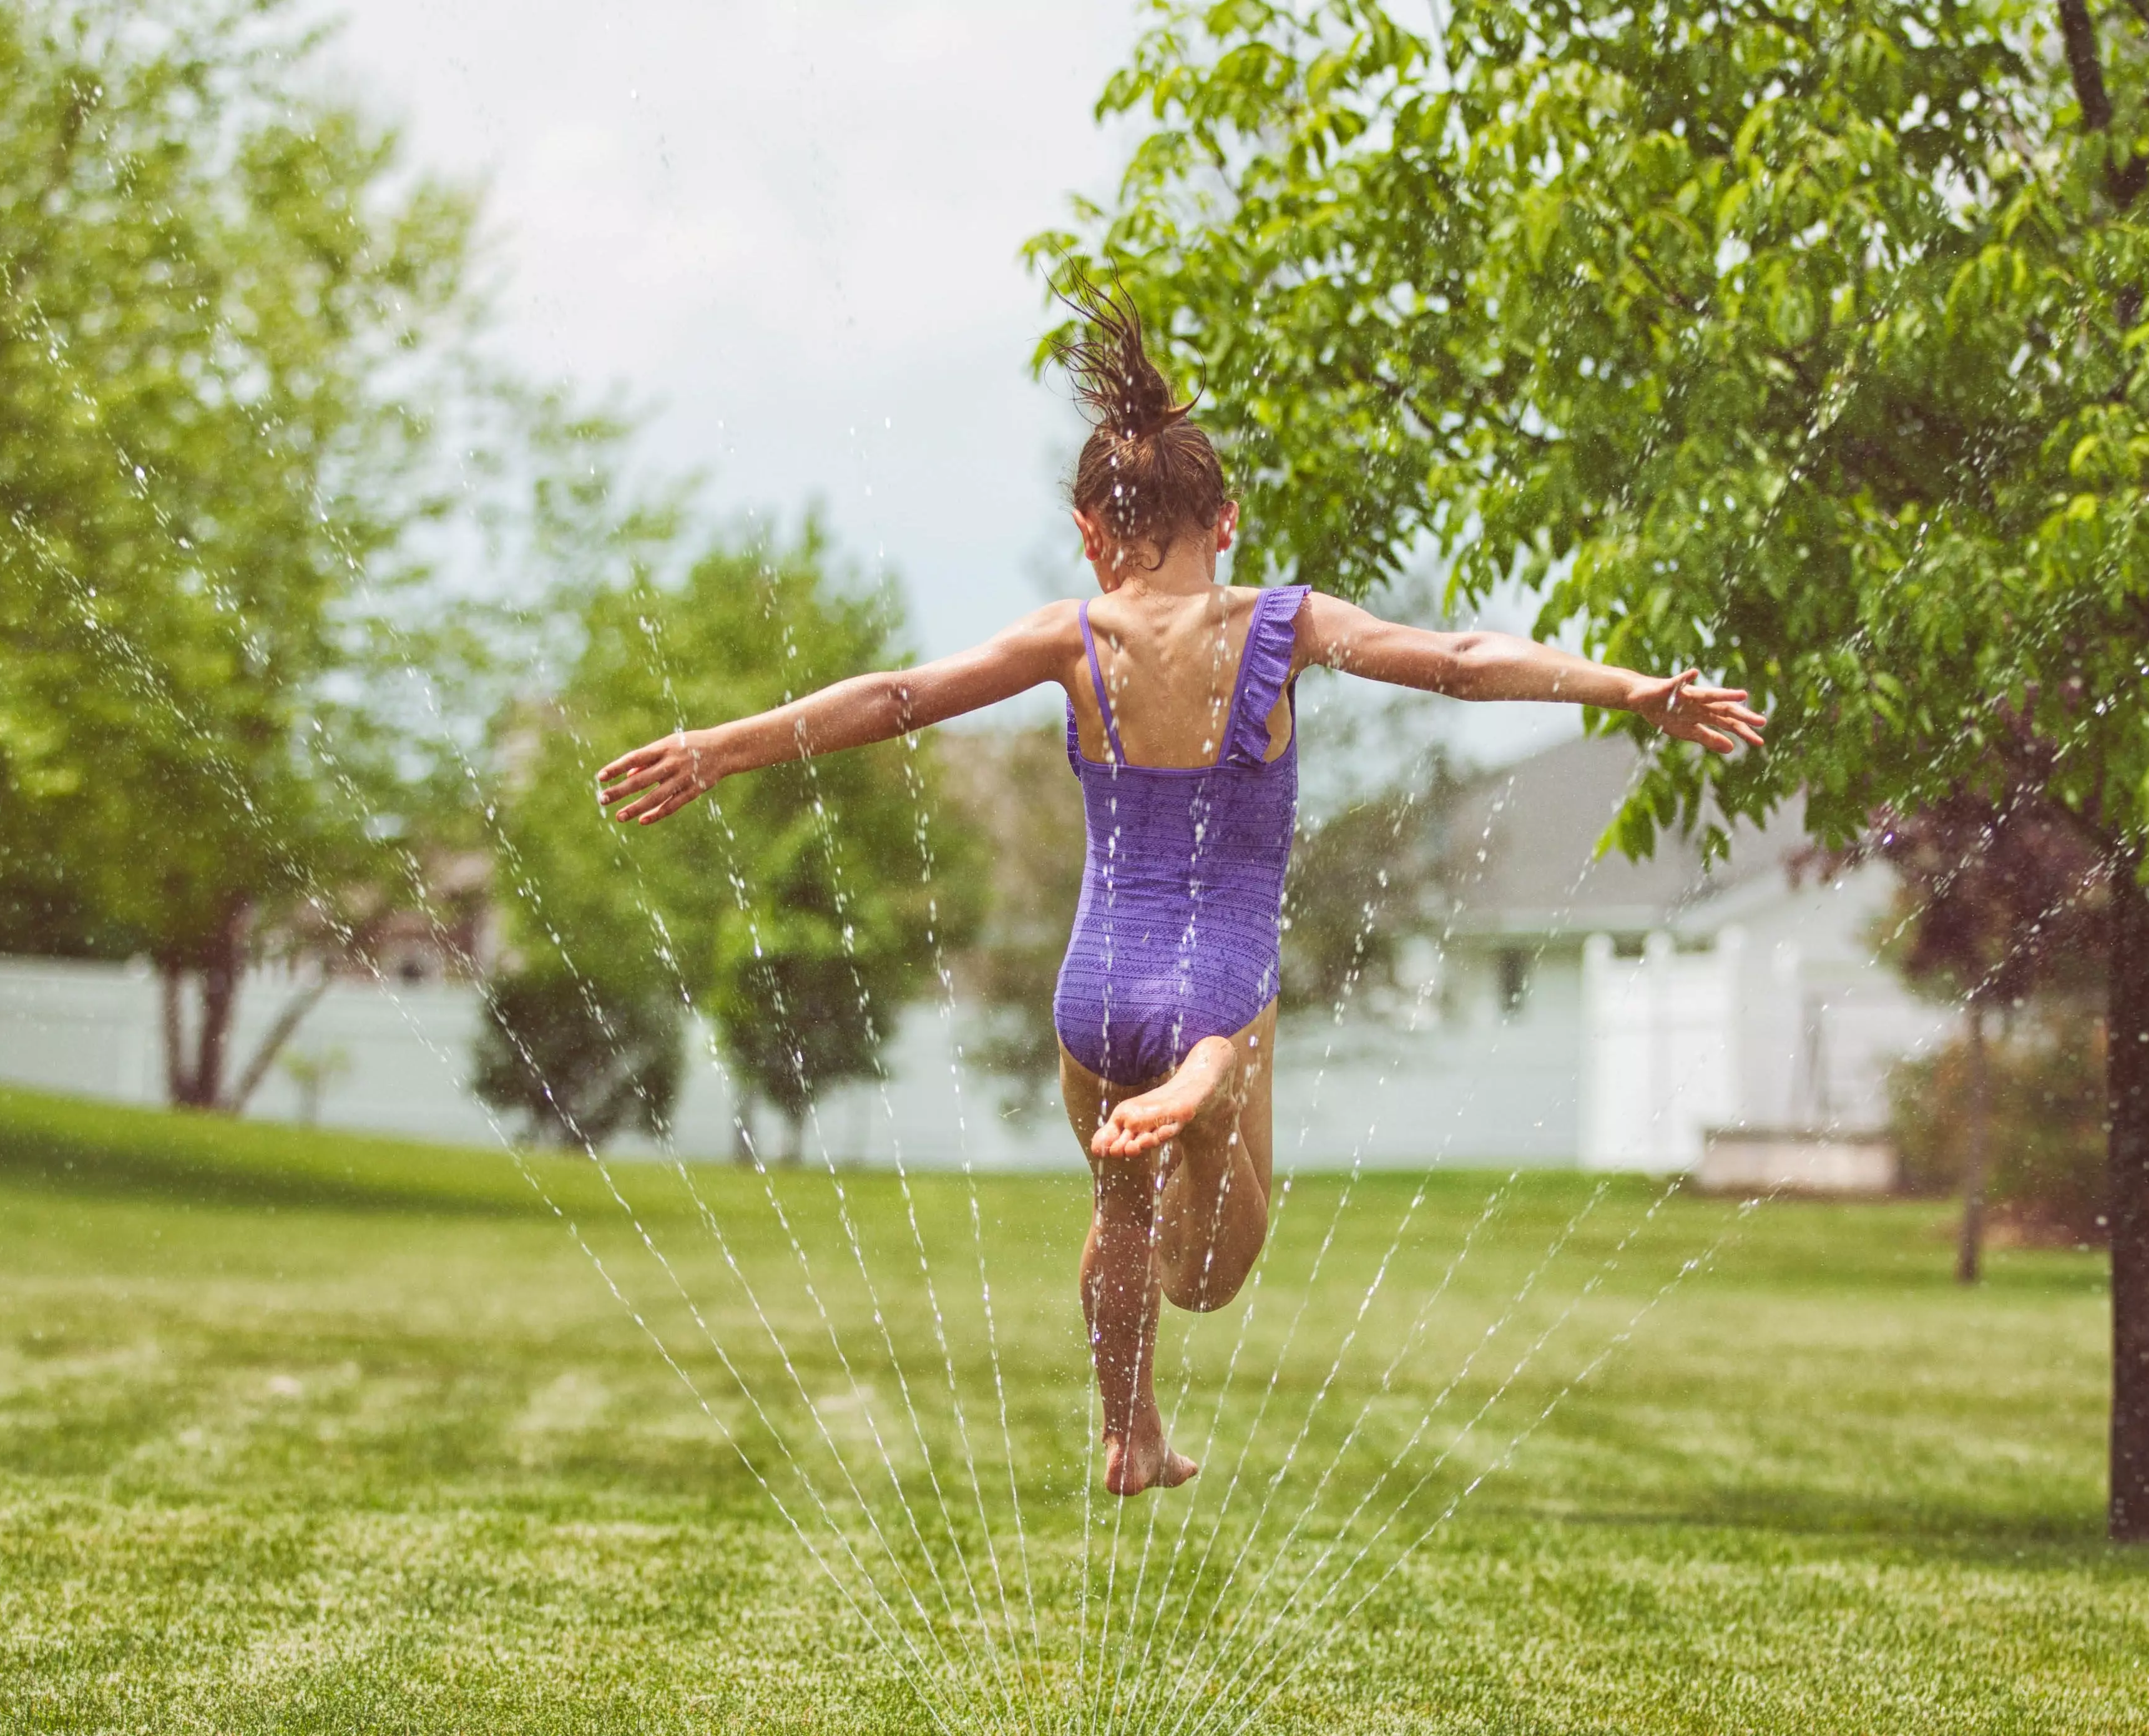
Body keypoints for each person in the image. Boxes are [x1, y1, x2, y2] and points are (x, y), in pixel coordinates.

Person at [598, 288, 1766, 1497]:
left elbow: (897, 694)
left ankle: (1129, 1427)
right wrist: (1630, 691)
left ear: (1092, 532)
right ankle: (1205, 1102)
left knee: (1121, 1208)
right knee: (1208, 1271)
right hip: (1219, 981)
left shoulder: (1074, 635)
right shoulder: (1283, 622)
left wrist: (719, 749)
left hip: (1096, 981)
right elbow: (1463, 664)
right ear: (1229, 519)